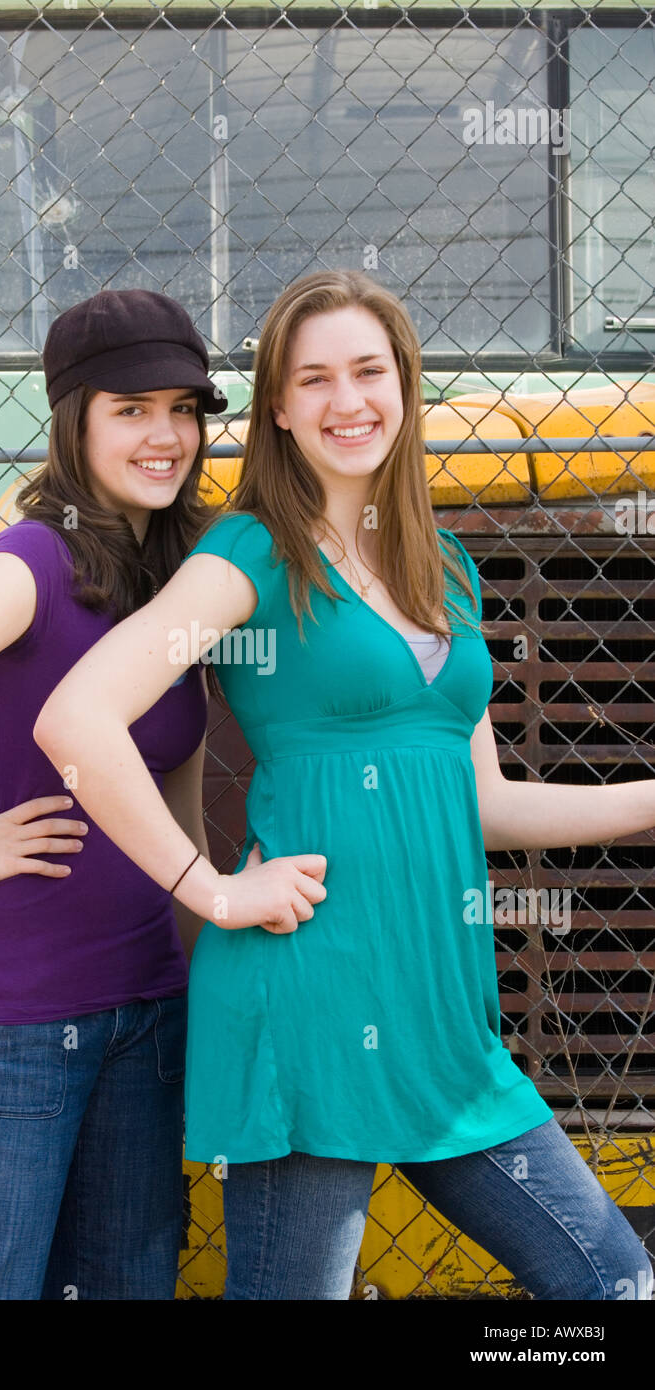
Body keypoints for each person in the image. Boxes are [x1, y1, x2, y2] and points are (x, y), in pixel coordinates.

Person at [32, 269, 654, 1301]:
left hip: (439, 1015)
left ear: (403, 387)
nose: (345, 400)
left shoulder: (439, 566)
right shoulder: (247, 556)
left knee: (609, 1284)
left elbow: (485, 804)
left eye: (367, 371)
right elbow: (76, 717)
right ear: (277, 407)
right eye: (312, 379)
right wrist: (211, 888)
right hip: (308, 1001)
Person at [0, 288, 322, 1300]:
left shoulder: (176, 574)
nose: (165, 436)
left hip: (142, 1009)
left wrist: (200, 969)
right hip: (3, 1026)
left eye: (183, 409)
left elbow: (177, 802)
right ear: (76, 420)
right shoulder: (33, 557)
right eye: (131, 409)